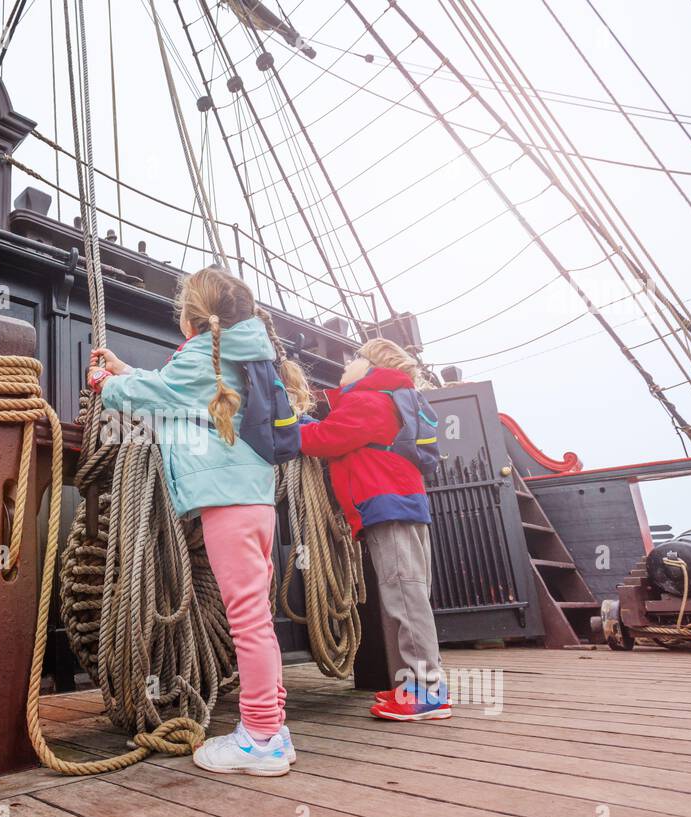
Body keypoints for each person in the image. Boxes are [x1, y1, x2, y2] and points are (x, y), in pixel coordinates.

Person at [87, 267, 311, 775]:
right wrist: (127, 370)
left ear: (190, 321)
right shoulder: (247, 354)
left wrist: (107, 383)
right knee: (258, 619)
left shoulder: (201, 357)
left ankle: (259, 738)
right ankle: (273, 725)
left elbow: (156, 395)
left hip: (227, 502)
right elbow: (174, 388)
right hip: (255, 500)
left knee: (247, 621)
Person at [299, 337, 450, 721]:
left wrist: (285, 426)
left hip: (388, 506)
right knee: (404, 593)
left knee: (405, 595)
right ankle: (410, 686)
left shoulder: (369, 400)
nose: (346, 364)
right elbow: (338, 434)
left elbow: (326, 439)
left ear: (369, 366)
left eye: (354, 358)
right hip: (399, 504)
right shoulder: (388, 399)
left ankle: (428, 691)